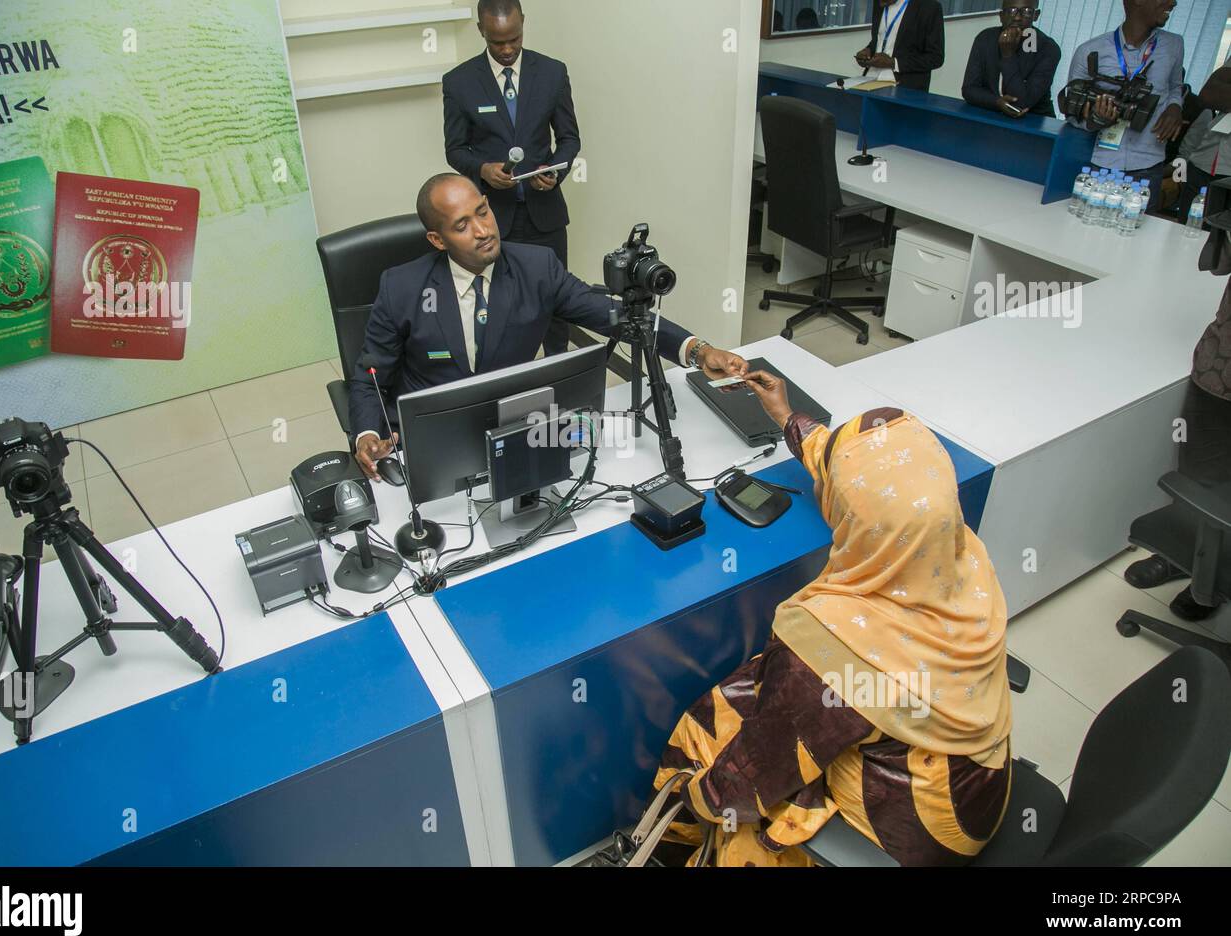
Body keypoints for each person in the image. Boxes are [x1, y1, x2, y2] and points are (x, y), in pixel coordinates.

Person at [650, 376, 1012, 866]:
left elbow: (751, 775)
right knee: (767, 690)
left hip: (917, 823)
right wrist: (784, 416)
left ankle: (674, 847)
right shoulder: (955, 547)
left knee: (708, 731)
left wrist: (696, 798)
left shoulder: (836, 647)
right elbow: (847, 461)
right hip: (976, 779)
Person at [349, 173, 749, 478]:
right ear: (437, 240)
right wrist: (367, 435)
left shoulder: (537, 268)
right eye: (462, 225)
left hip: (518, 432)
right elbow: (369, 378)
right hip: (434, 446)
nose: (484, 230)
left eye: (483, 212)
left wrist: (699, 351)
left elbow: (618, 316)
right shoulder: (400, 287)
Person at [442, 0, 578, 357]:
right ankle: (503, 377)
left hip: (544, 214)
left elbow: (568, 139)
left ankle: (559, 366)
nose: (506, 49)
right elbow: (455, 150)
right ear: (480, 31)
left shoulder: (552, 72)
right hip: (492, 217)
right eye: (496, 42)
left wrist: (555, 171)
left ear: (523, 25)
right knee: (498, 301)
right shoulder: (459, 82)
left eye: (513, 40)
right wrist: (482, 170)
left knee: (554, 297)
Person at [1124, 267, 1231, 621]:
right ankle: (1187, 560)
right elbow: (1218, 260)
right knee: (1198, 474)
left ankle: (1215, 584)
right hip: (1223, 366)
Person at [1063, 0, 1184, 215]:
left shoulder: (1174, 45)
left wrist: (1175, 107)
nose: (1173, 3)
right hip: (1099, 167)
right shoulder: (1090, 51)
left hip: (1149, 166)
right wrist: (1096, 119)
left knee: (1135, 238)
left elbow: (1175, 87)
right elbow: (1071, 112)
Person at [962, 1, 1061, 118]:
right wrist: (997, 102)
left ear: (1036, 15)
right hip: (992, 113)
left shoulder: (1048, 48)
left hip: (1035, 120)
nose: (1018, 17)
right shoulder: (985, 38)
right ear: (1001, 16)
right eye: (1011, 11)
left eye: (1026, 12)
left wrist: (1008, 55)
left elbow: (1020, 104)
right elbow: (969, 90)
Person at [1175, 56, 1231, 222]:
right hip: (1202, 163)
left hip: (1228, 175)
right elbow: (1208, 94)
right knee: (1184, 230)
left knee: (1219, 243)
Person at [854, 0, 945, 93]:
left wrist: (894, 63)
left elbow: (936, 57)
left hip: (904, 89)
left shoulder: (929, 7)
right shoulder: (879, 3)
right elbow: (881, 39)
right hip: (870, 81)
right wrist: (868, 51)